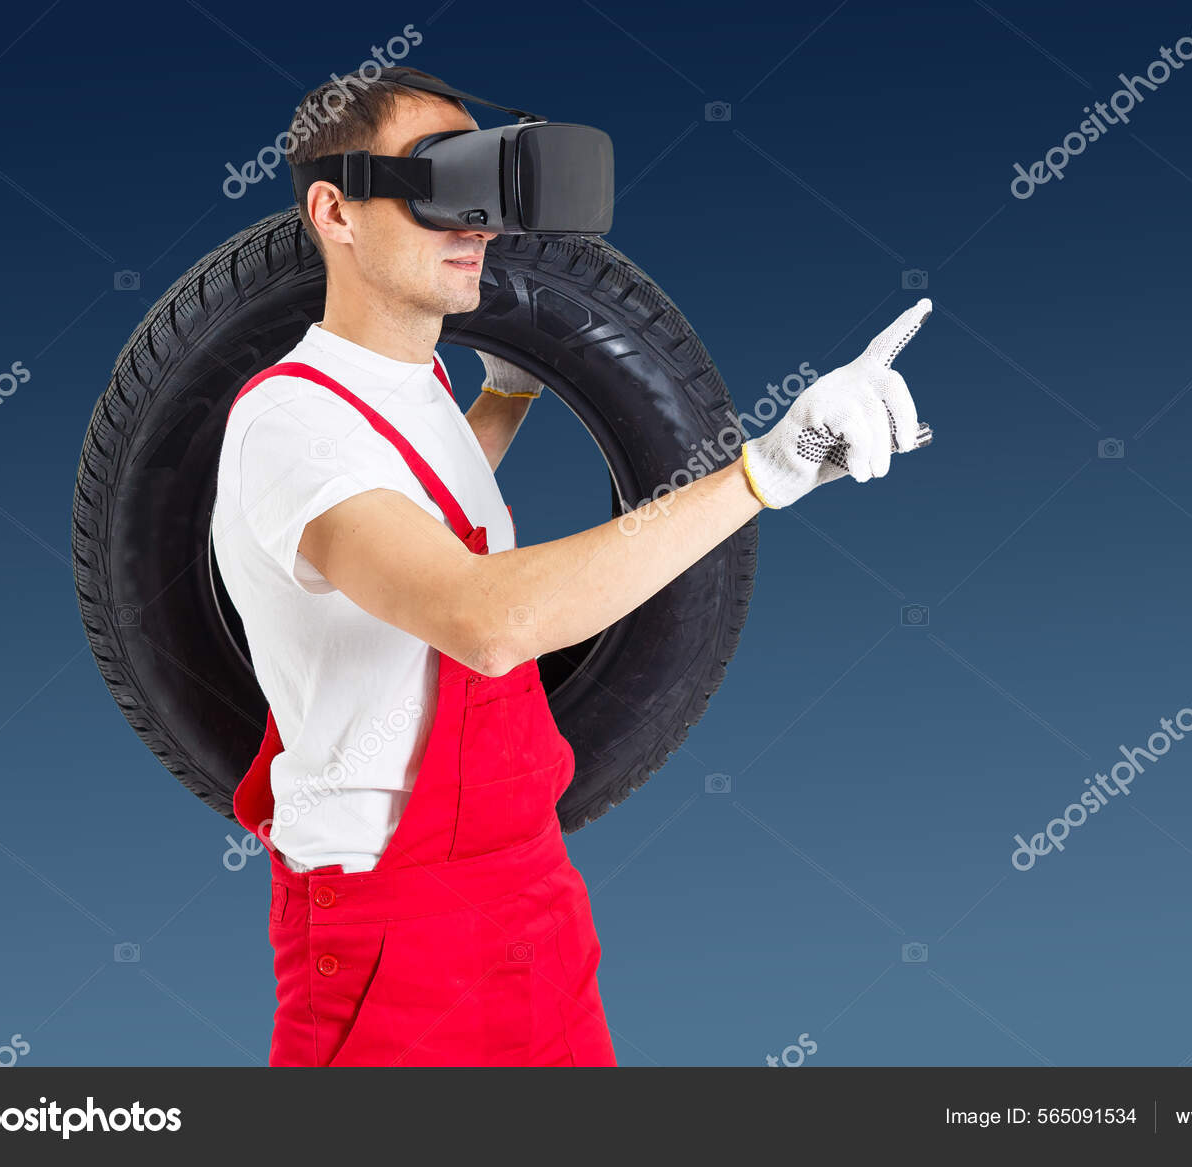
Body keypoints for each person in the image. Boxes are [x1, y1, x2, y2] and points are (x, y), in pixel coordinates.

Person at [210, 65, 933, 1067]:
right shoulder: (291, 424)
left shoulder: (407, 391)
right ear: (333, 210)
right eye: (439, 184)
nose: (477, 224)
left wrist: (500, 404)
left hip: (526, 891)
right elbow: (479, 617)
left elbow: (411, 532)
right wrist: (764, 474)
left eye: (487, 190)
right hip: (396, 931)